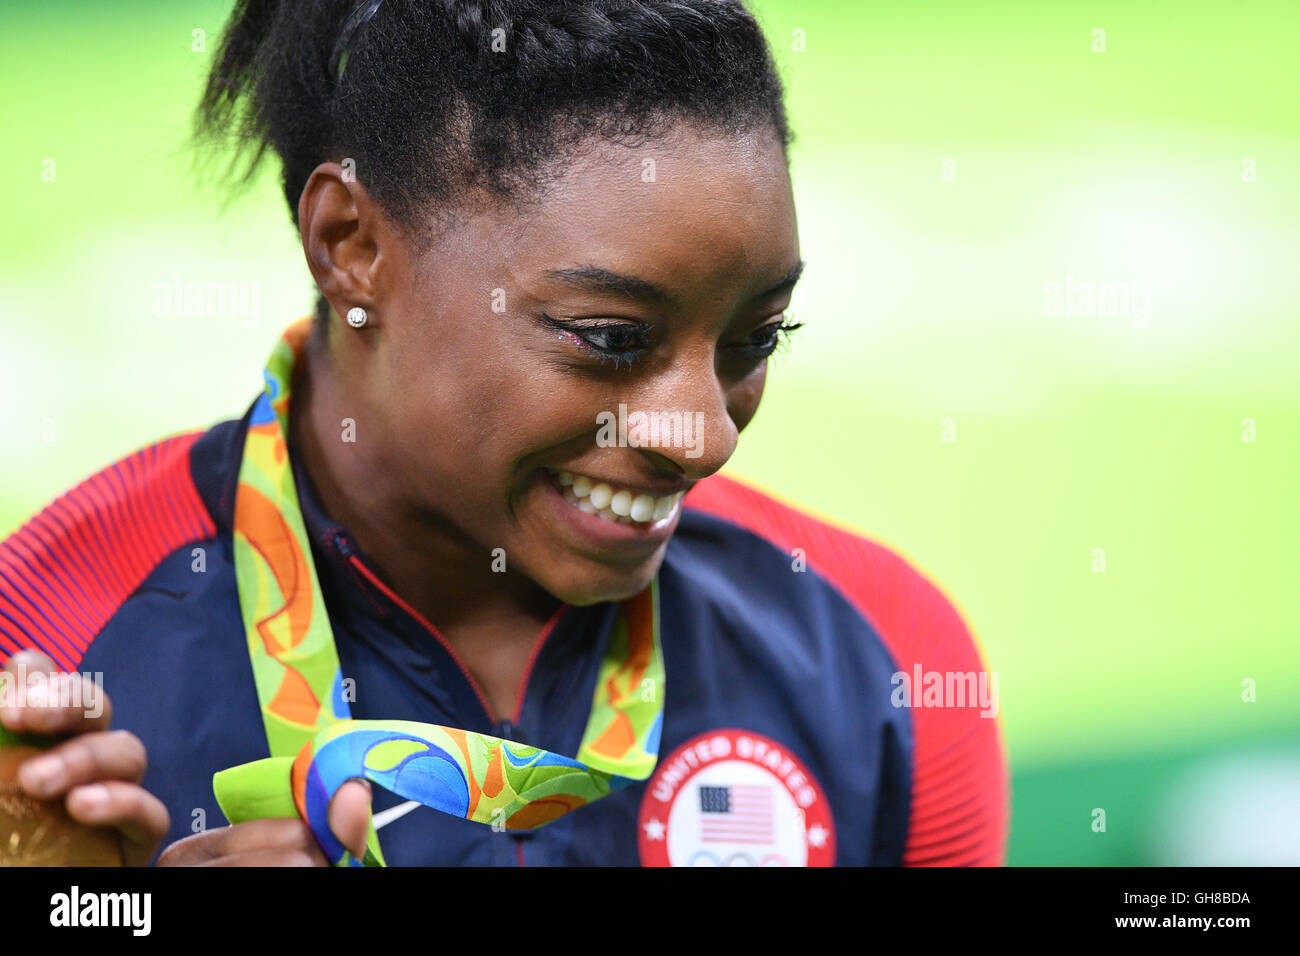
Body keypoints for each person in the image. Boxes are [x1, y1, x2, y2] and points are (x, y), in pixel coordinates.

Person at [0, 0, 1007, 866]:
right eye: (612, 338)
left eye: (757, 336)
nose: (704, 436)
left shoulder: (887, 662)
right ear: (350, 244)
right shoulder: (46, 660)